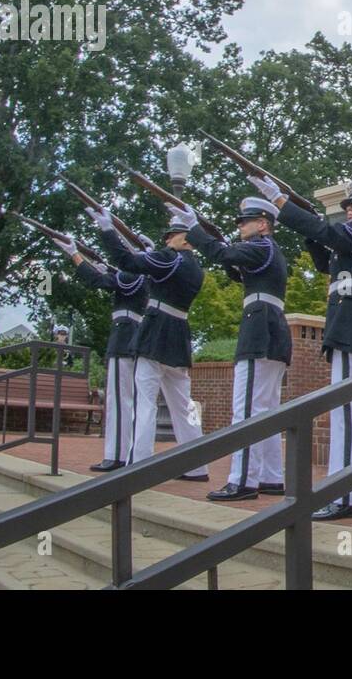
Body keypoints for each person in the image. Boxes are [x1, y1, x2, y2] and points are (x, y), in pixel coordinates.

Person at [256, 178, 352, 521]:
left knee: (346, 410)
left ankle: (342, 494)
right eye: (347, 206)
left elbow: (330, 235)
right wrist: (306, 218)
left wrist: (281, 203)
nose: (349, 210)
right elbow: (324, 256)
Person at [89, 206, 210, 481]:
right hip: (179, 334)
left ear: (187, 239)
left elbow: (127, 263)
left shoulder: (172, 259)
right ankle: (197, 465)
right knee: (184, 406)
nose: (167, 240)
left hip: (156, 333)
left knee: (145, 403)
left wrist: (108, 230)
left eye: (173, 235)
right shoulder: (195, 268)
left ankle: (139, 465)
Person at [183, 196, 290, 501]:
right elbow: (233, 263)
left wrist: (193, 228)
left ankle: (243, 481)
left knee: (246, 409)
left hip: (260, 331)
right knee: (266, 410)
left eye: (246, 221)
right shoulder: (266, 252)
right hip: (272, 331)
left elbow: (224, 254)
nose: (241, 226)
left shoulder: (262, 246)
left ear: (263, 224)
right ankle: (270, 477)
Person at [53, 237, 148, 472]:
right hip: (131, 335)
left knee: (118, 402)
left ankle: (116, 456)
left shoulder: (135, 275)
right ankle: (123, 453)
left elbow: (99, 281)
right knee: (125, 400)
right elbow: (110, 278)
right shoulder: (140, 276)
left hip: (124, 336)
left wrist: (75, 255)